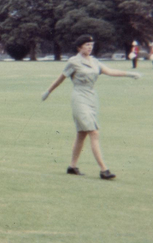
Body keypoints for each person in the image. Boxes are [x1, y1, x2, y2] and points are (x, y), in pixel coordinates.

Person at [41, 34, 141, 180]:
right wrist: (48, 91)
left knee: (82, 134)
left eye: (91, 44)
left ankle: (72, 167)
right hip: (79, 98)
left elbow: (110, 71)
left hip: (91, 98)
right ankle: (104, 170)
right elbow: (61, 78)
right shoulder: (73, 62)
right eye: (87, 44)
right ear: (79, 47)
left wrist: (130, 74)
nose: (90, 47)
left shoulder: (94, 62)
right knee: (93, 132)